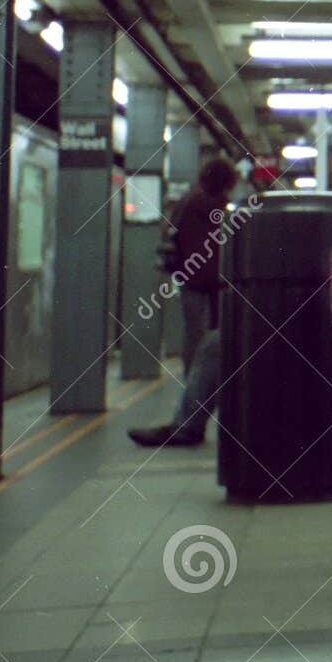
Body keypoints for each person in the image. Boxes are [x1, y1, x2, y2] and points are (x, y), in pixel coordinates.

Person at [129, 156, 237, 448]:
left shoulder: (188, 204)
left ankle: (190, 408)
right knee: (212, 345)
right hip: (220, 284)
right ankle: (194, 406)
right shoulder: (224, 212)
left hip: (191, 282)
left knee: (201, 343)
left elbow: (172, 240)